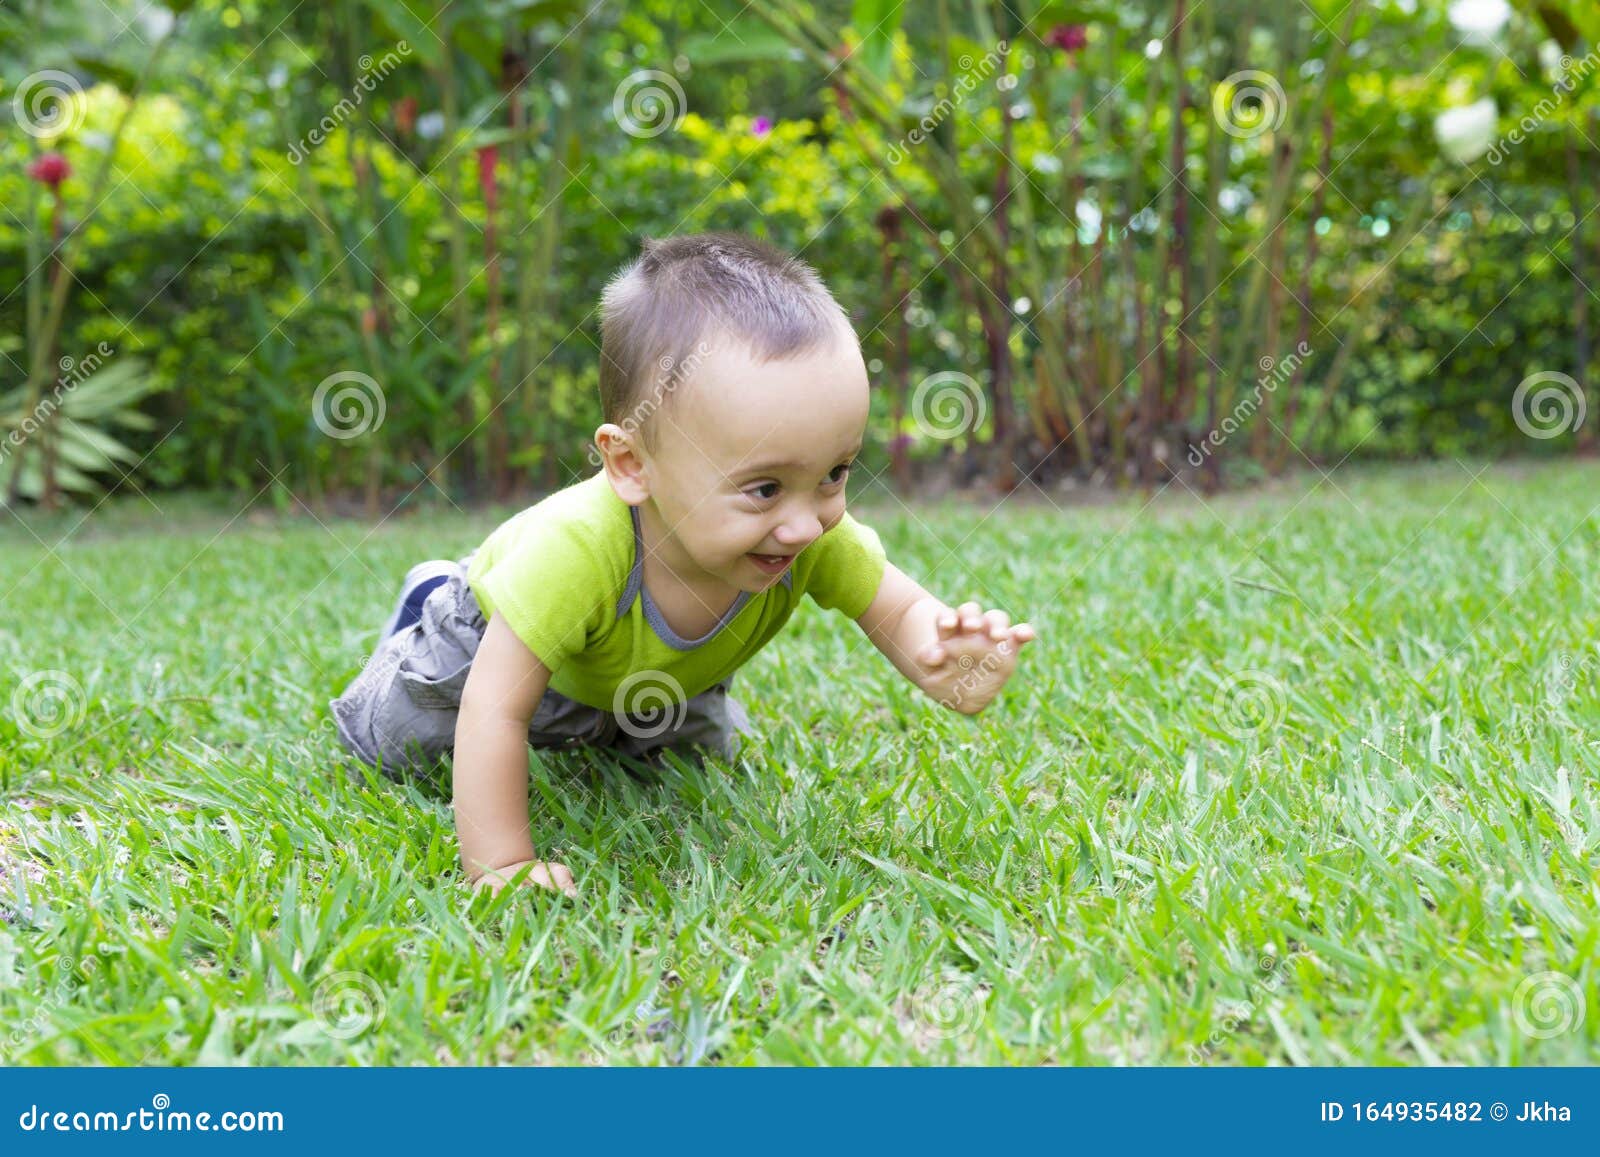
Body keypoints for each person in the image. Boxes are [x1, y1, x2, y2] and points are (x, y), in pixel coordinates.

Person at [329, 232, 1036, 898]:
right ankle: (425, 598)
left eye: (835, 472)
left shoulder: (813, 532)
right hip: (490, 641)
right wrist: (504, 863)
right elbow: (494, 707)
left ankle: (614, 714)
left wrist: (951, 660)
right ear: (632, 464)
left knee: (690, 761)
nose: (803, 521)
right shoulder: (574, 548)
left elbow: (901, 611)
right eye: (764, 487)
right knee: (394, 746)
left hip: (648, 674)